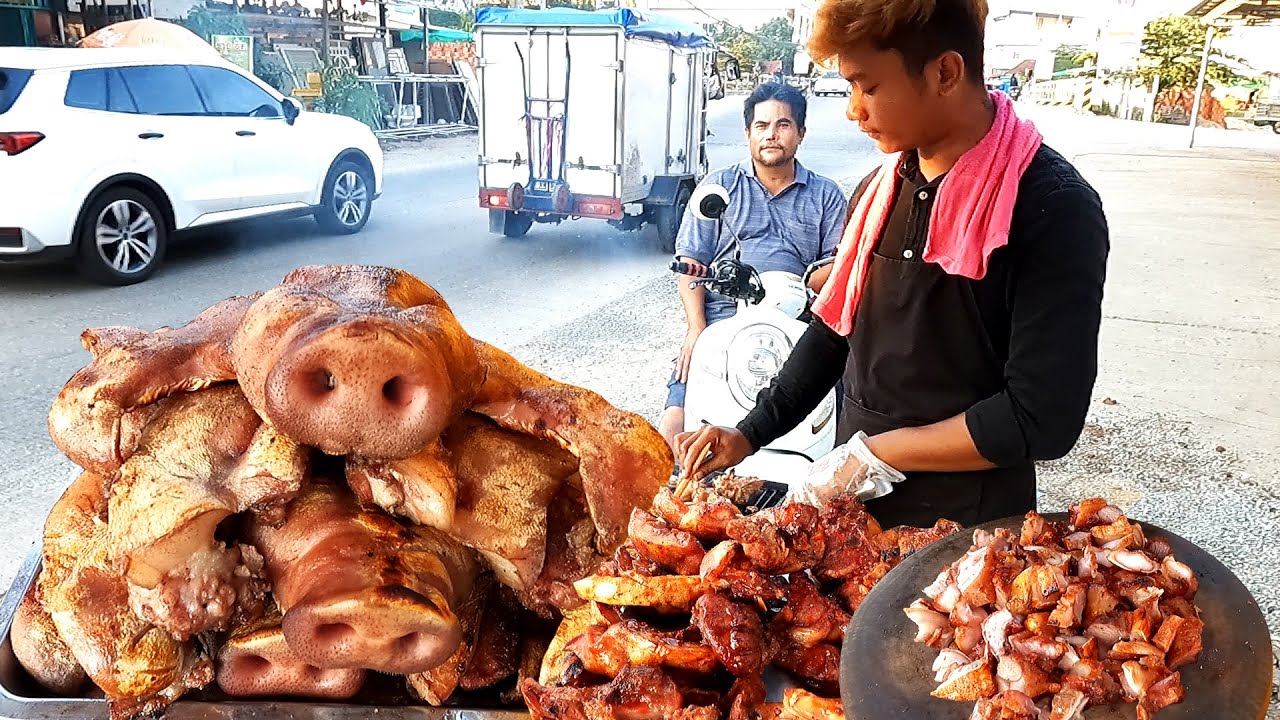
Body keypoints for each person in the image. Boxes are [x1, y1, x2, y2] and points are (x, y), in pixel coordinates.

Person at [674, 0, 1110, 529]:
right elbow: (833, 332)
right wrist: (748, 433)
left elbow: (1042, 418)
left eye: (869, 86)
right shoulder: (876, 193)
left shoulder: (1052, 206)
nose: (853, 110)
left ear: (945, 72)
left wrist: (876, 454)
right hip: (855, 517)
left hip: (969, 533)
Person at [658, 82, 849, 451]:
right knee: (674, 424)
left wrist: (818, 282)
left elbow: (837, 269)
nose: (771, 134)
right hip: (724, 319)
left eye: (783, 125)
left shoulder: (826, 195)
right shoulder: (719, 187)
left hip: (799, 321)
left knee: (839, 421)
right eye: (761, 126)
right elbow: (691, 263)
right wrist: (696, 329)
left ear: (800, 133)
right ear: (748, 133)